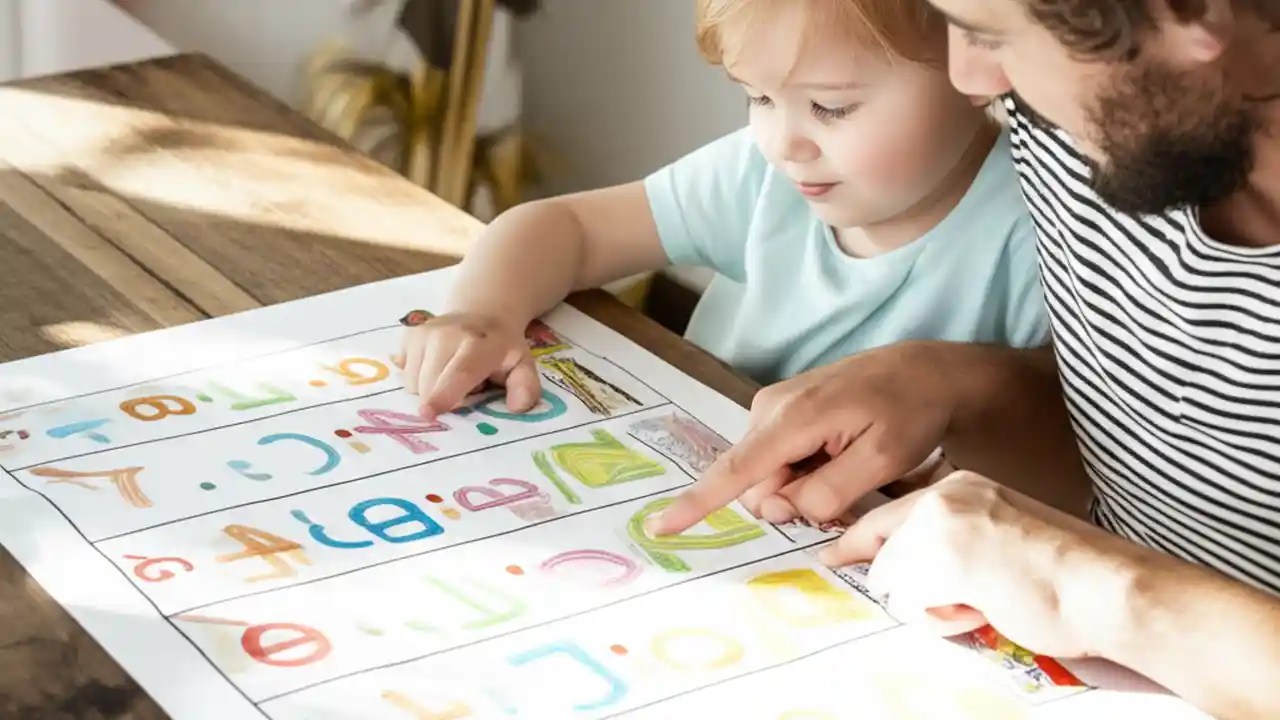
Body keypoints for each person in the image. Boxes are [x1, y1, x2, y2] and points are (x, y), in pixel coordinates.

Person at [648, 2, 1280, 718]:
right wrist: (953, 384)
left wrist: (1096, 587)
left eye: (994, 34)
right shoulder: (1075, 121)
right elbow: (1175, 441)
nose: (971, 81)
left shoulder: (1101, 102)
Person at [395, 0, 1049, 421]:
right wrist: (485, 312)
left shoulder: (1037, 240)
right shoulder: (760, 175)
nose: (784, 142)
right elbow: (566, 227)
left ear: (980, 58)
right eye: (758, 98)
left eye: (832, 107)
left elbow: (1062, 456)